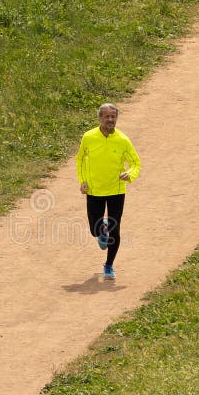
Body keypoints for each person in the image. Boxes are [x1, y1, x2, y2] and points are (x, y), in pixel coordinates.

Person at [75, 103, 141, 280]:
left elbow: (136, 163)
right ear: (100, 118)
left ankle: (109, 265)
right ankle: (100, 231)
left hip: (116, 190)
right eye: (107, 116)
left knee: (115, 229)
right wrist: (83, 181)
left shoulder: (122, 140)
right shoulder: (89, 137)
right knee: (94, 230)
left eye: (113, 117)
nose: (110, 120)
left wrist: (131, 173)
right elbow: (80, 159)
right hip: (94, 190)